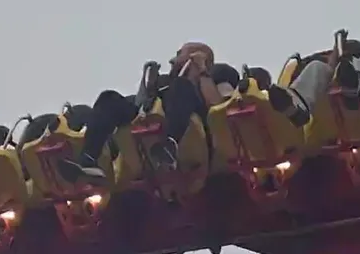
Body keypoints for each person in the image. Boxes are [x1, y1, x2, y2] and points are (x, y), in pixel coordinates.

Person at [58, 43, 243, 184]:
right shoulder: (166, 83)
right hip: (157, 127)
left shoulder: (215, 76)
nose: (172, 60)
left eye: (180, 54)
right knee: (109, 99)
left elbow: (217, 106)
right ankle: (89, 160)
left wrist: (201, 70)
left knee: (181, 86)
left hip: (199, 137)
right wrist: (148, 86)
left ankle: (170, 146)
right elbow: (142, 109)